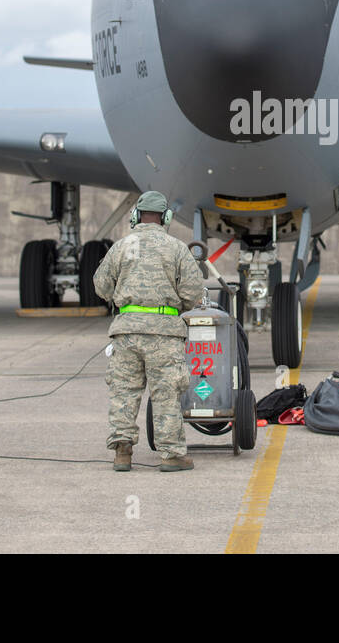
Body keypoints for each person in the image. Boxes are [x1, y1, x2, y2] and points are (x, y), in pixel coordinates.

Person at [92, 191, 205, 472]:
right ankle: (171, 456)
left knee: (124, 393)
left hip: (126, 333)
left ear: (135, 216)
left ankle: (122, 453)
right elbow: (193, 292)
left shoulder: (121, 247)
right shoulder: (176, 248)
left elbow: (101, 286)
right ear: (166, 217)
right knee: (166, 394)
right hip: (164, 334)